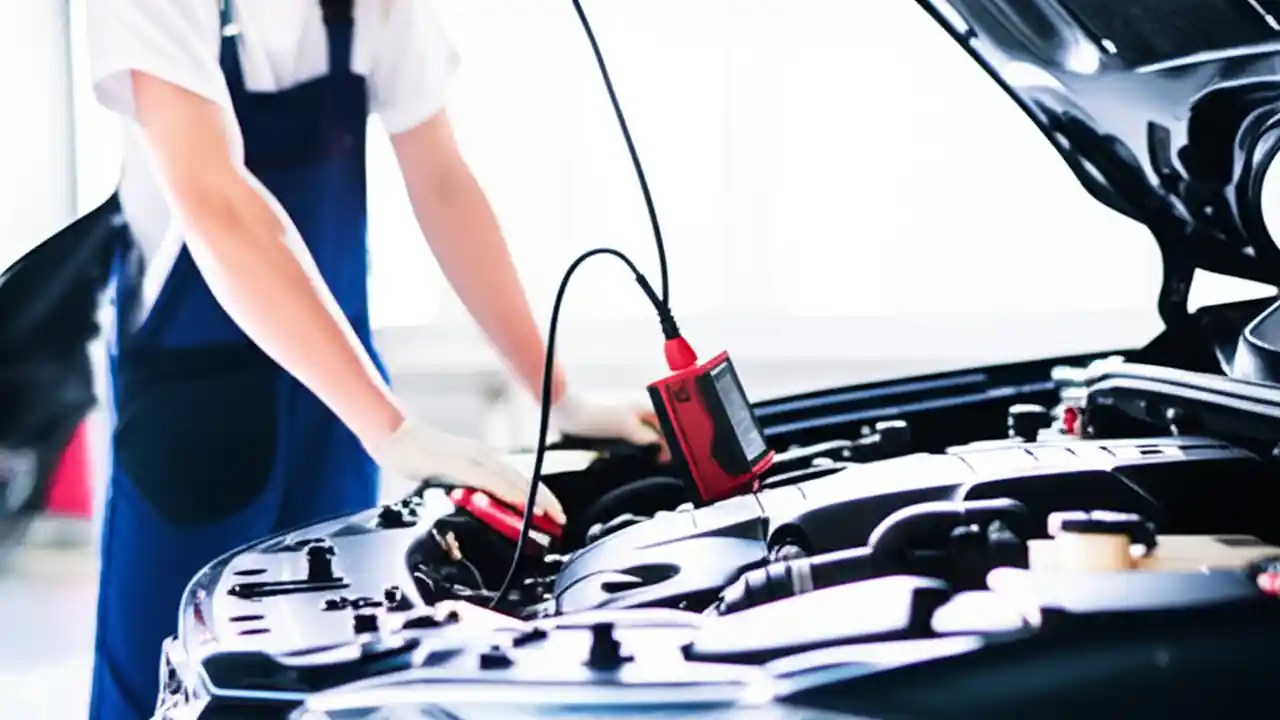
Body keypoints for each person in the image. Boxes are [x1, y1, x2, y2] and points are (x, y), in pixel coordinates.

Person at [86, 1, 662, 717]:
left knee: (339, 677)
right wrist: (391, 429)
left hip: (340, 401)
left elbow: (442, 183)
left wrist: (559, 398)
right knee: (165, 682)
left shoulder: (376, 8)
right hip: (197, 401)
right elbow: (215, 197)